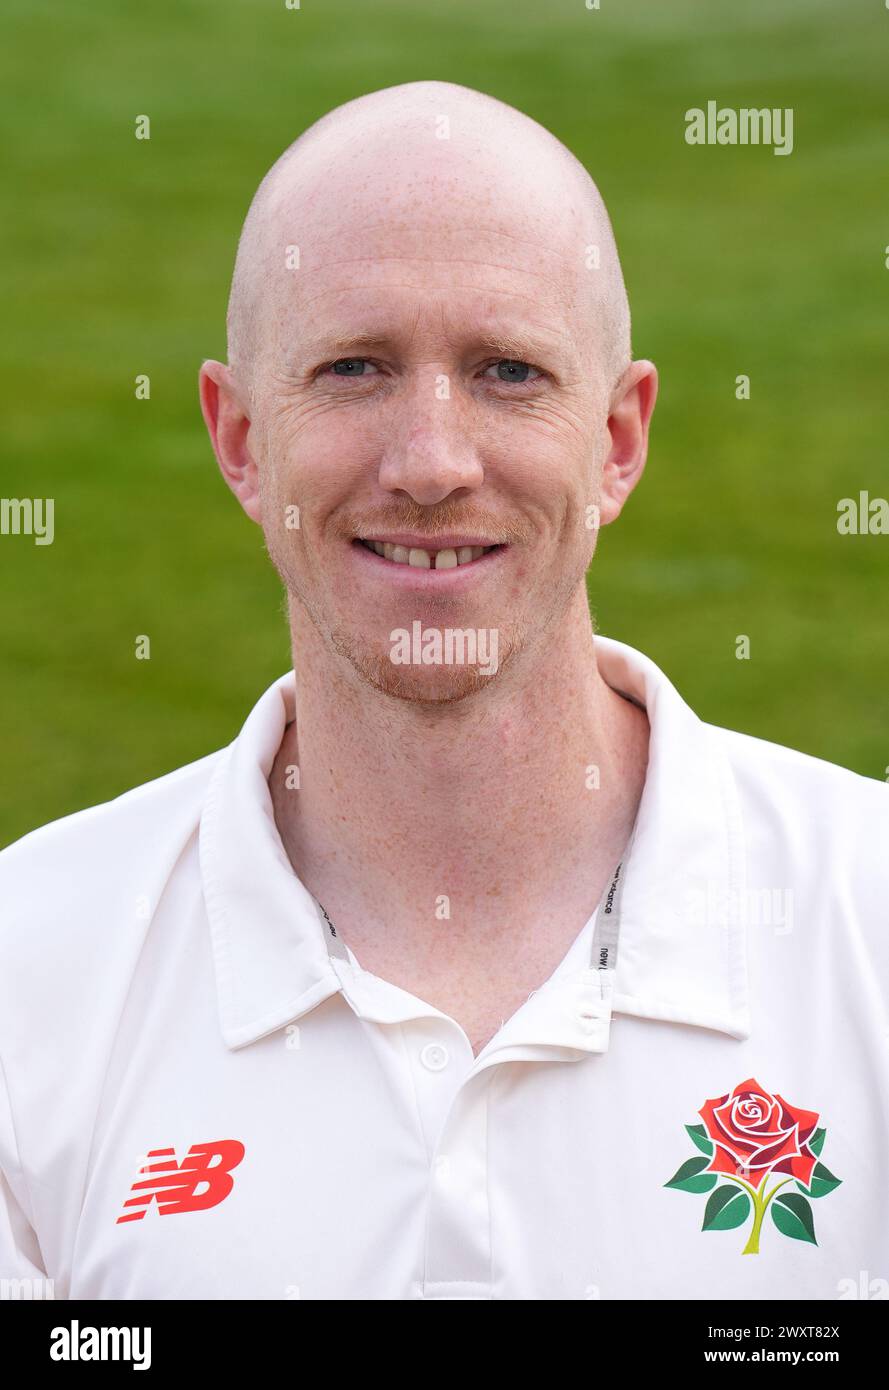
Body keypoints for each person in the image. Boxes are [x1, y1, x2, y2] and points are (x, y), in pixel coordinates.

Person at [1, 81, 886, 1302]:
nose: (430, 463)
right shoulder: (28, 972)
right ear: (242, 441)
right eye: (354, 367)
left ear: (618, 441)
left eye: (509, 372)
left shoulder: (868, 919)